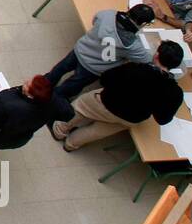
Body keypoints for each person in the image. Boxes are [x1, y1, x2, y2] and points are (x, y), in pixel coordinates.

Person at [51, 44, 184, 151]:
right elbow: (162, 119)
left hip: (107, 102)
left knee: (80, 108)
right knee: (97, 131)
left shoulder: (135, 69)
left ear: (156, 55)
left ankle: (60, 130)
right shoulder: (175, 92)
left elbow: (105, 79)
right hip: (131, 118)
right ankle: (71, 144)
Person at [44, 3, 156, 103]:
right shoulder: (132, 45)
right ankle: (56, 98)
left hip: (80, 49)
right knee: (74, 83)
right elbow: (147, 60)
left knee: (61, 68)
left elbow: (94, 20)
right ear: (143, 23)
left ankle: (45, 83)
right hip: (93, 68)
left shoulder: (108, 14)